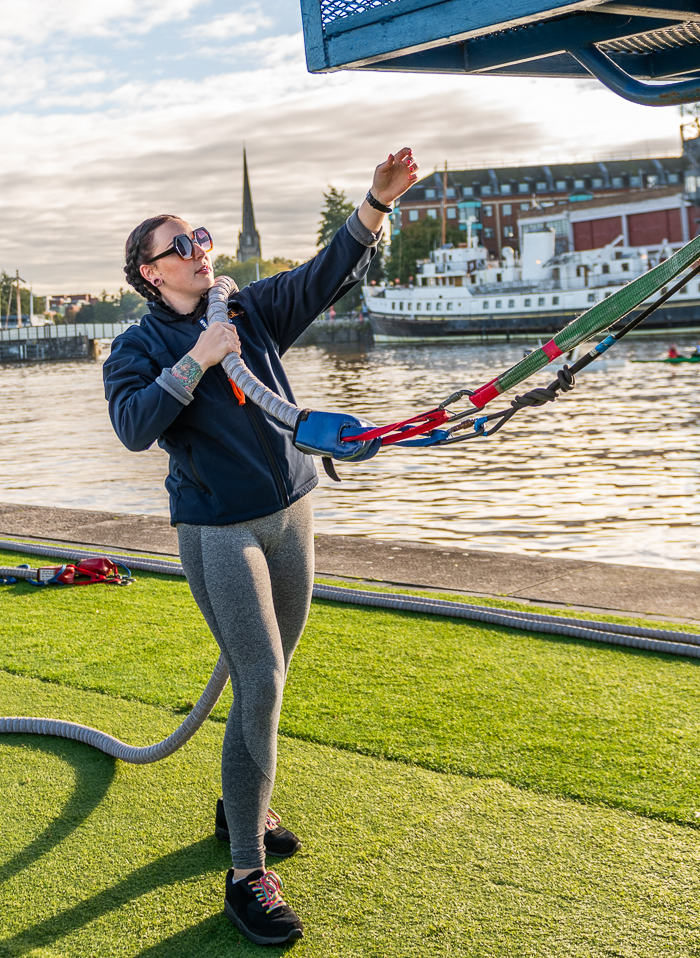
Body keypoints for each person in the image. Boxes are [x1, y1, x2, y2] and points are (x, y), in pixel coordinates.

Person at [104, 146, 417, 946]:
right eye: (181, 245)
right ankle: (246, 873)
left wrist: (375, 203)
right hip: (220, 530)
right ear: (151, 273)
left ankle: (240, 805)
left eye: (201, 236)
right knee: (263, 681)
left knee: (270, 679)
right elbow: (134, 426)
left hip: (293, 512)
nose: (199, 250)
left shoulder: (247, 310)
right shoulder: (137, 348)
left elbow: (321, 274)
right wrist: (196, 360)